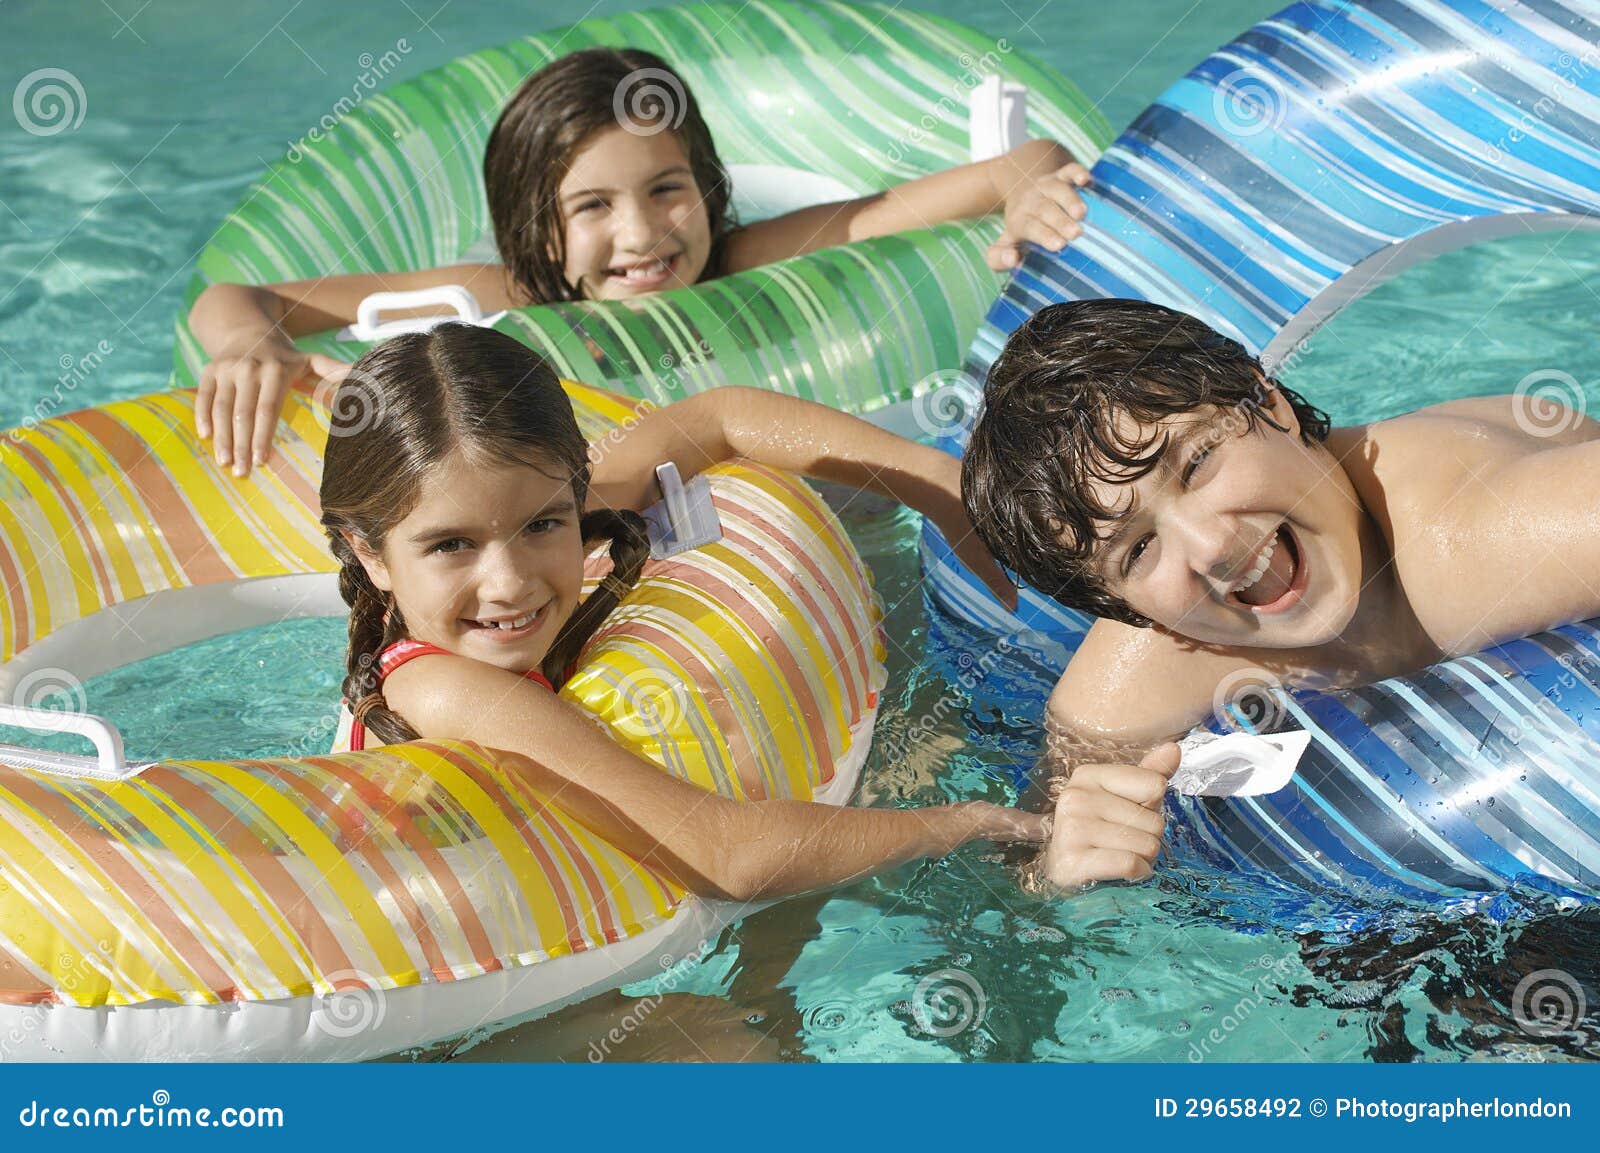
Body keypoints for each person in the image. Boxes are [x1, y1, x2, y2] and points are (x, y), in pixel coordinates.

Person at [319, 321, 1043, 902]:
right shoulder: (451, 692)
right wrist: (964, 822)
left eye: (541, 525)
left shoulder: (528, 509)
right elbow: (731, 856)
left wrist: (940, 485)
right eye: (451, 545)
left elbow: (720, 417)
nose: (508, 582)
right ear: (368, 552)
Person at [192, 47, 1092, 477]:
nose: (642, 235)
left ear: (709, 188)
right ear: (537, 231)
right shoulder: (504, 297)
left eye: (667, 189)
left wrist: (1028, 187)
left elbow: (1009, 166)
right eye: (592, 206)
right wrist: (247, 344)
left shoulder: (746, 260)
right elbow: (237, 295)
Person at [961, 298, 1600, 891]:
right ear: (1125, 608)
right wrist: (1057, 875)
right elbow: (1023, 874)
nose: (1211, 546)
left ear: (1271, 405)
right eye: (1138, 548)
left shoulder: (1485, 535)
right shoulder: (1122, 699)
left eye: (1196, 463)